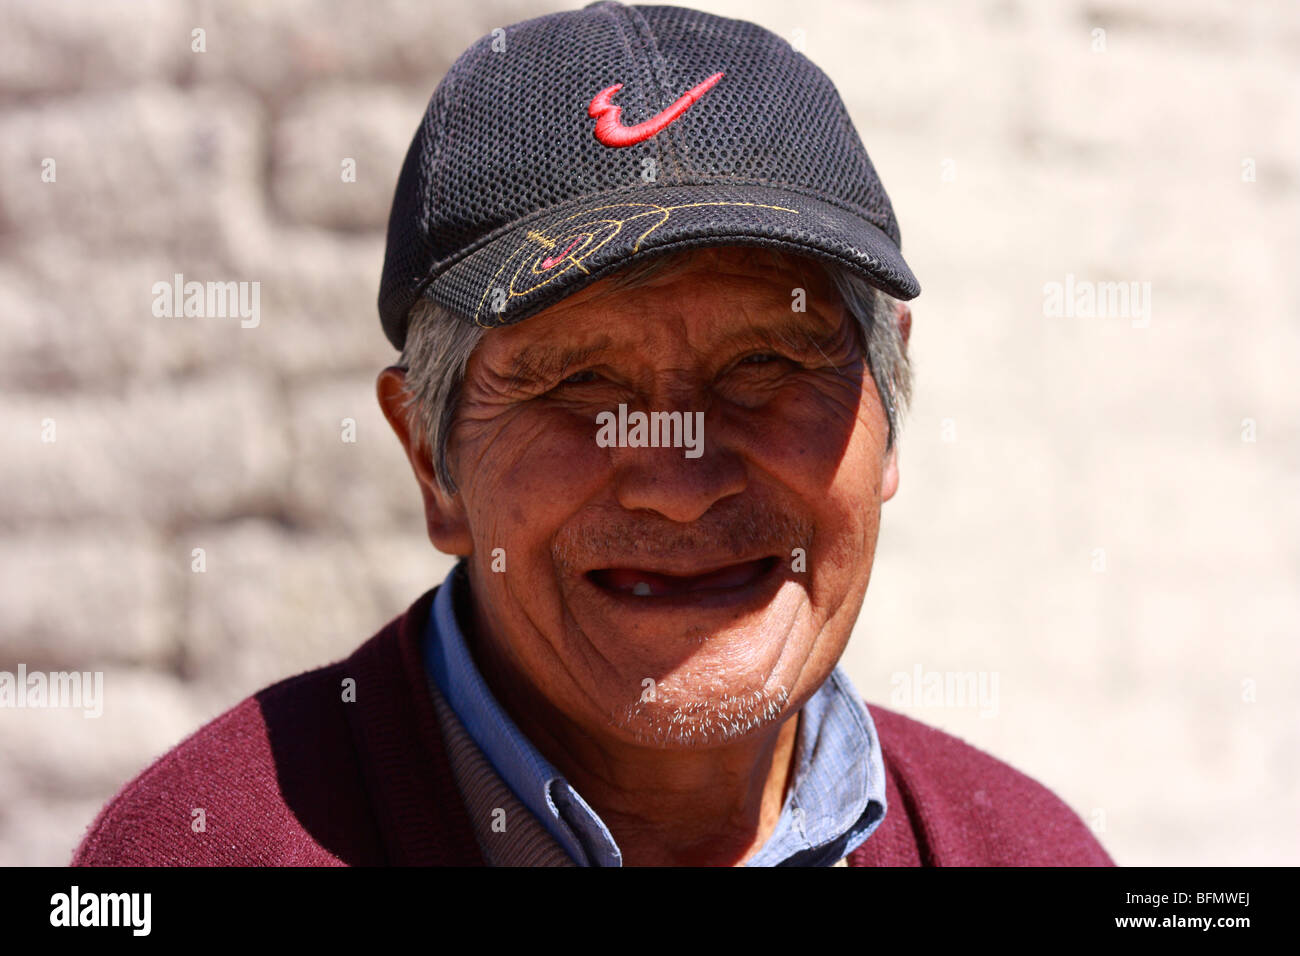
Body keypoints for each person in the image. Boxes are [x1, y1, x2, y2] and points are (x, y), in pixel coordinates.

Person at [74, 0, 1113, 867]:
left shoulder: (1024, 848)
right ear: (433, 462)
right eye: (579, 382)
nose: (681, 478)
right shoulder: (208, 851)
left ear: (889, 414)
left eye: (765, 366)